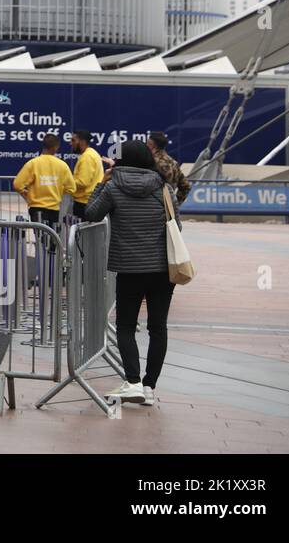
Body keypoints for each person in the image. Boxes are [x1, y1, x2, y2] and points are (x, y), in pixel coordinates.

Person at [82, 139, 177, 406]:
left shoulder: (113, 187)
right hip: (162, 269)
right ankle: (149, 387)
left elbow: (91, 213)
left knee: (125, 326)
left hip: (129, 268)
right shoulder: (164, 188)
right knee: (158, 327)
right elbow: (176, 227)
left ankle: (133, 381)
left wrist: (102, 181)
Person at [12, 134, 75, 228]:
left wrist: (26, 194)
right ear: (56, 147)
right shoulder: (62, 165)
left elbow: (17, 184)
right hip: (54, 209)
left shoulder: (33, 163)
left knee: (40, 238)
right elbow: (71, 188)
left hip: (36, 208)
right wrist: (57, 191)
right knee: (53, 238)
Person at [69, 128, 104, 219]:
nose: (70, 143)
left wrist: (65, 183)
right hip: (89, 201)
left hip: (84, 203)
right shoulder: (91, 154)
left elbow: (83, 182)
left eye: (73, 140)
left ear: (82, 141)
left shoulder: (87, 157)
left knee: (83, 233)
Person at [148, 131, 190, 206]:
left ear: (152, 145)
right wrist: (175, 204)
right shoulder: (174, 163)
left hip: (154, 208)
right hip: (168, 207)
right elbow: (186, 186)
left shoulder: (152, 163)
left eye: (147, 143)